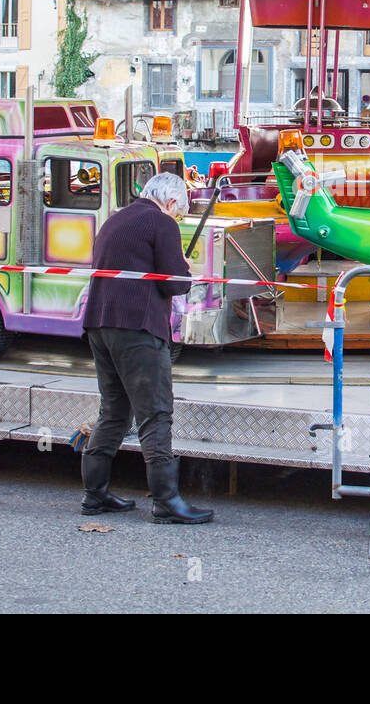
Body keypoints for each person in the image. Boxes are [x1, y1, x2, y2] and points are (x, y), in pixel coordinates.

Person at [79, 172, 214, 524]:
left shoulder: (115, 219)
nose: (178, 219)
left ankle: (94, 496)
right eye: (179, 213)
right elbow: (174, 282)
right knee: (155, 412)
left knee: (113, 411)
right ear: (171, 203)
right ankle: (166, 501)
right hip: (138, 327)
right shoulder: (161, 223)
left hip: (99, 323)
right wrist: (186, 270)